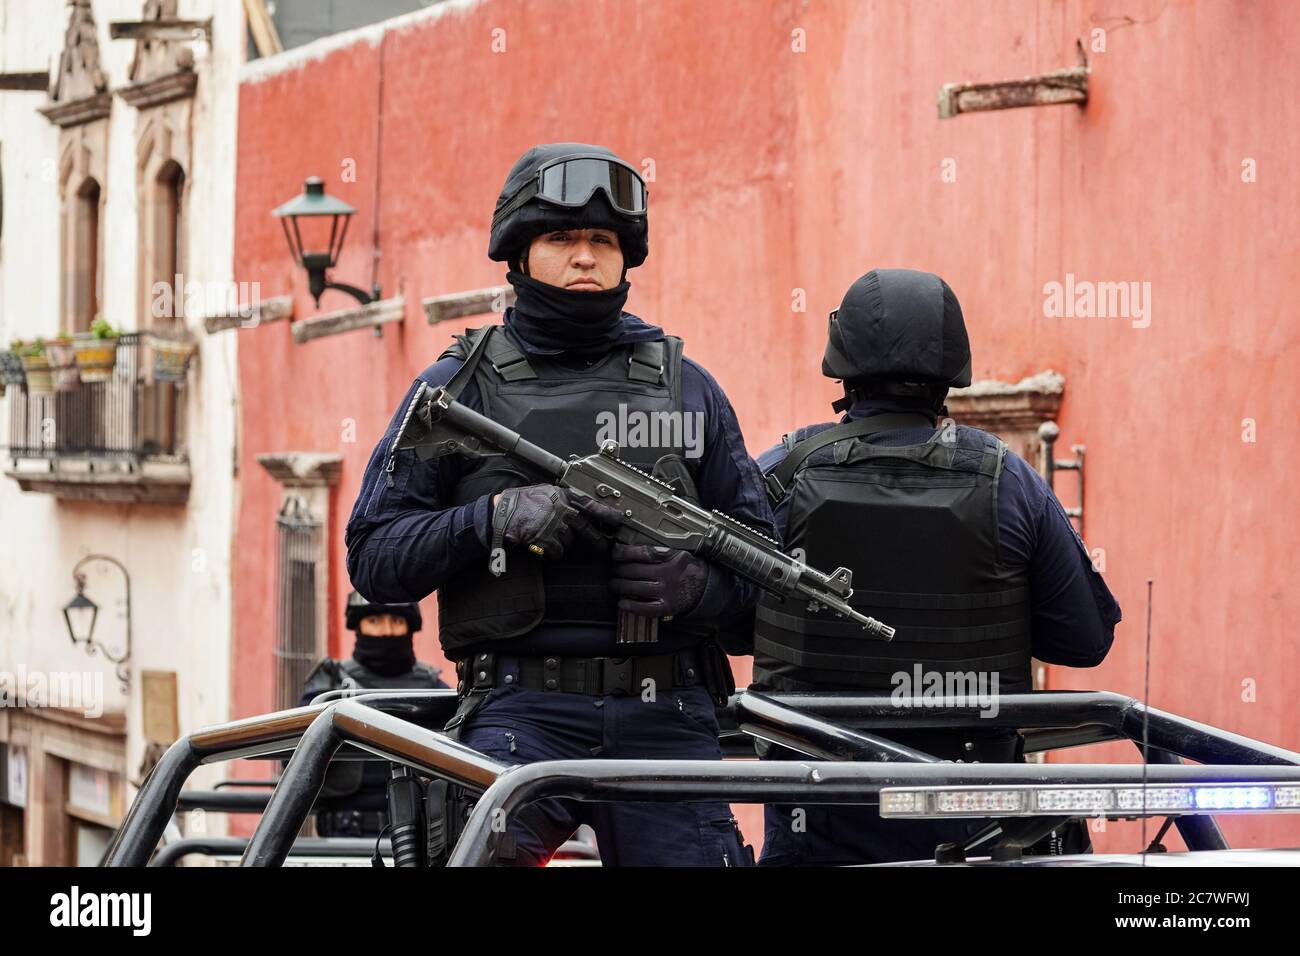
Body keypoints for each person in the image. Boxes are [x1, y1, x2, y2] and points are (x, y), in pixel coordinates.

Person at [345, 143, 775, 866]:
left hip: (666, 716)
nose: (584, 258)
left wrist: (697, 590)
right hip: (519, 714)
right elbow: (375, 559)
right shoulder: (459, 389)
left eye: (602, 242)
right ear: (518, 255)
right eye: (562, 239)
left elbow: (769, 581)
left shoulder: (688, 389)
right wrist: (493, 519)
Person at [751, 268, 1122, 865]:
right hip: (971, 824)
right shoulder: (1010, 479)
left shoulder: (782, 472)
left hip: (816, 819)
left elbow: (720, 616)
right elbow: (1084, 639)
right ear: (952, 369)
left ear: (841, 362)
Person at [299, 590, 446, 837]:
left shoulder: (435, 689)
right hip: (343, 840)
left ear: (410, 626)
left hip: (421, 837)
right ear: (359, 625)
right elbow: (296, 759)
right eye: (375, 621)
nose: (387, 631)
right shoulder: (330, 685)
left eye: (397, 621)